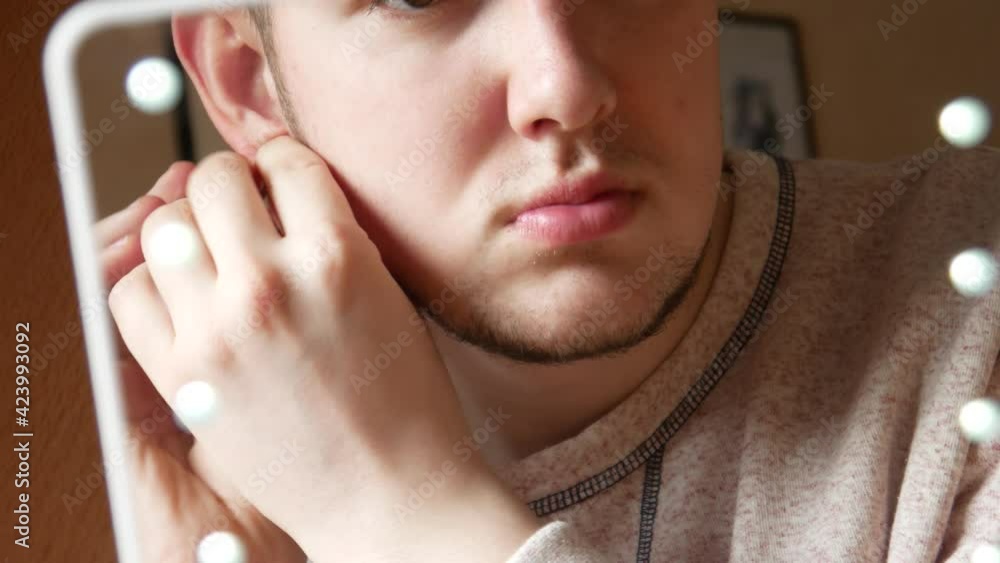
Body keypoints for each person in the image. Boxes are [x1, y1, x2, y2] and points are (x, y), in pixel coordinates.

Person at [93, 2, 1000, 561]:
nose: (563, 87)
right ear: (246, 82)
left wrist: (389, 515)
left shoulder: (976, 287)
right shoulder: (146, 468)